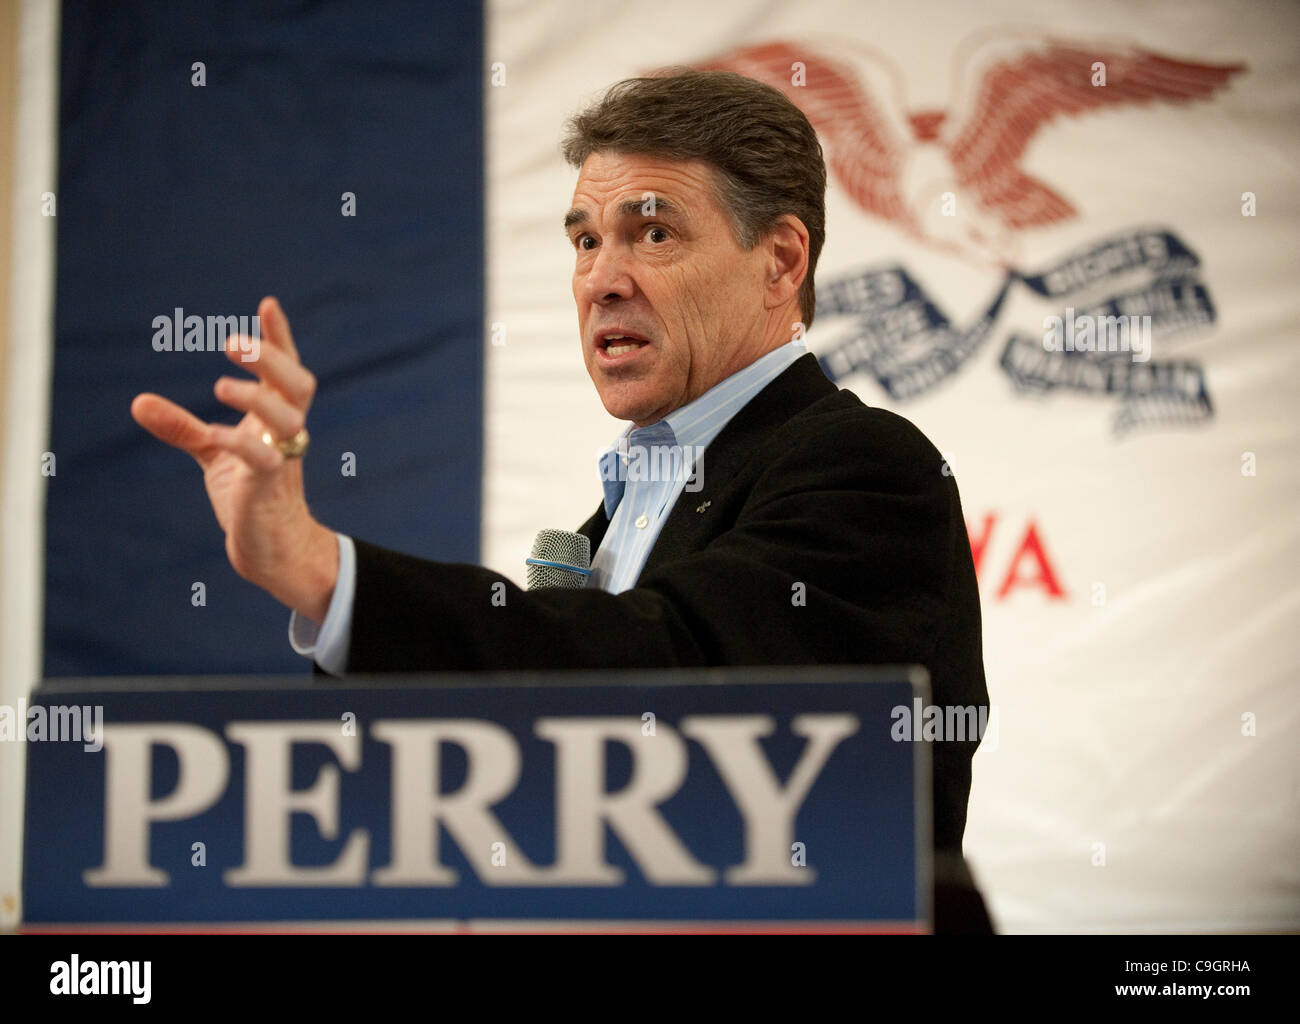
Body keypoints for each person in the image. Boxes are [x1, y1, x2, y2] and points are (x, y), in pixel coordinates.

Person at [130, 69, 989, 858]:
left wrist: (326, 571)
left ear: (781, 260)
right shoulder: (594, 533)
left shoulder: (867, 466)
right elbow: (505, 746)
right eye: (584, 241)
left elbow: (677, 682)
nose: (599, 282)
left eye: (652, 231)